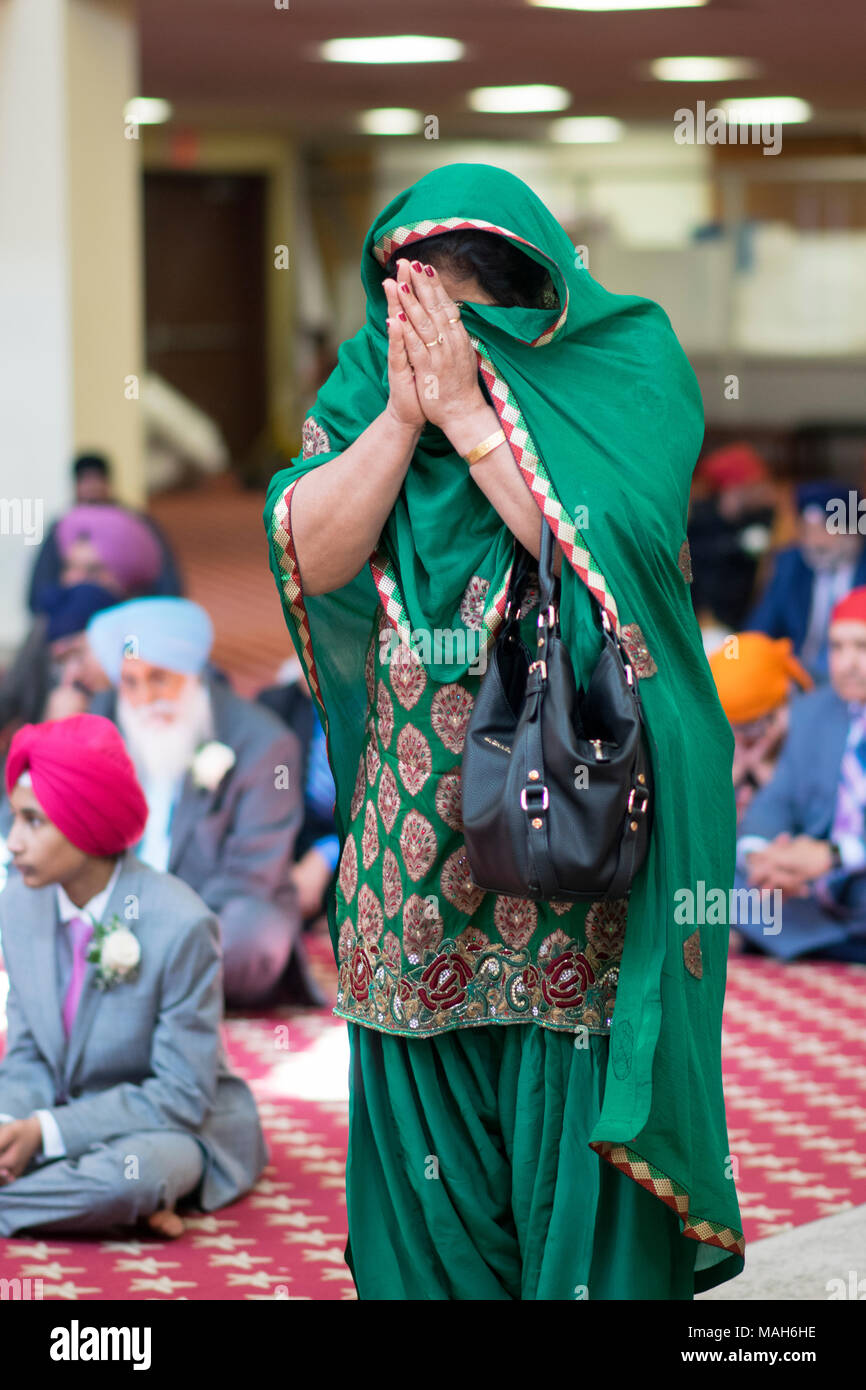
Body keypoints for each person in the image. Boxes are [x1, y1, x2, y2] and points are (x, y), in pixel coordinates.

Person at [263, 163, 745, 1299]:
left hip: (568, 876)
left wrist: (478, 423)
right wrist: (399, 416)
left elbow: (611, 573)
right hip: (407, 879)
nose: (422, 336)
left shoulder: (619, 373)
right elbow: (311, 552)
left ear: (529, 311)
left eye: (454, 314)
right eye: (403, 311)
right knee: (435, 1214)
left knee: (565, 1188)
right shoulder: (366, 396)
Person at [0, 714, 267, 1237]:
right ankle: (95, 1201)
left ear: (86, 822)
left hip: (170, 1124)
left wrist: (45, 1132)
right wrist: (12, 1126)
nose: (12, 843)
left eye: (33, 822)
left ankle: (112, 1195)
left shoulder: (181, 923)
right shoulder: (17, 904)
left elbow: (179, 1096)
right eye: (13, 819)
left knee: (133, 1175)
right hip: (59, 1110)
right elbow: (28, 1052)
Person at [84, 597, 322, 1008]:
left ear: (192, 672)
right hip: (116, 910)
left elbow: (249, 875)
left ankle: (138, 986)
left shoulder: (263, 743)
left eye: (160, 678)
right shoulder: (103, 719)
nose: (145, 698)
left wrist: (152, 937)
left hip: (211, 914)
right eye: (131, 682)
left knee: (253, 933)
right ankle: (154, 989)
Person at [734, 587, 866, 962]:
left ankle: (801, 941)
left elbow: (830, 854)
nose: (847, 663)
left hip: (851, 874)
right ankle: (834, 944)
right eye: (838, 648)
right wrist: (763, 858)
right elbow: (777, 798)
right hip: (811, 889)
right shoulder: (812, 713)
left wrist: (834, 854)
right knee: (716, 882)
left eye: (861, 647)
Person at [27, 453, 184, 613]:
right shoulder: (61, 528)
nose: (91, 487)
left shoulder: (134, 524)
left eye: (96, 479)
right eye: (85, 480)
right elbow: (40, 590)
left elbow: (166, 580)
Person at [747, 480, 866, 681]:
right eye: (808, 531)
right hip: (799, 679)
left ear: (852, 531)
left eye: (827, 529)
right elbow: (760, 629)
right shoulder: (790, 564)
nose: (815, 542)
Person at [257, 657, 339, 927]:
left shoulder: (374, 709)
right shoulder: (276, 706)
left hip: (354, 846)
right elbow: (259, 804)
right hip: (287, 847)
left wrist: (327, 856)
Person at [709, 632, 813, 821]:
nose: (741, 736)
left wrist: (761, 766)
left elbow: (807, 817)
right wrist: (734, 773)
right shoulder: (711, 745)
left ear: (780, 710)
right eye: (732, 727)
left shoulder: (805, 734)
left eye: (751, 725)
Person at [687, 442, 778, 632]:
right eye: (754, 484)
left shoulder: (763, 518)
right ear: (735, 487)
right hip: (701, 622)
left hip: (746, 623)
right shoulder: (700, 521)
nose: (762, 490)